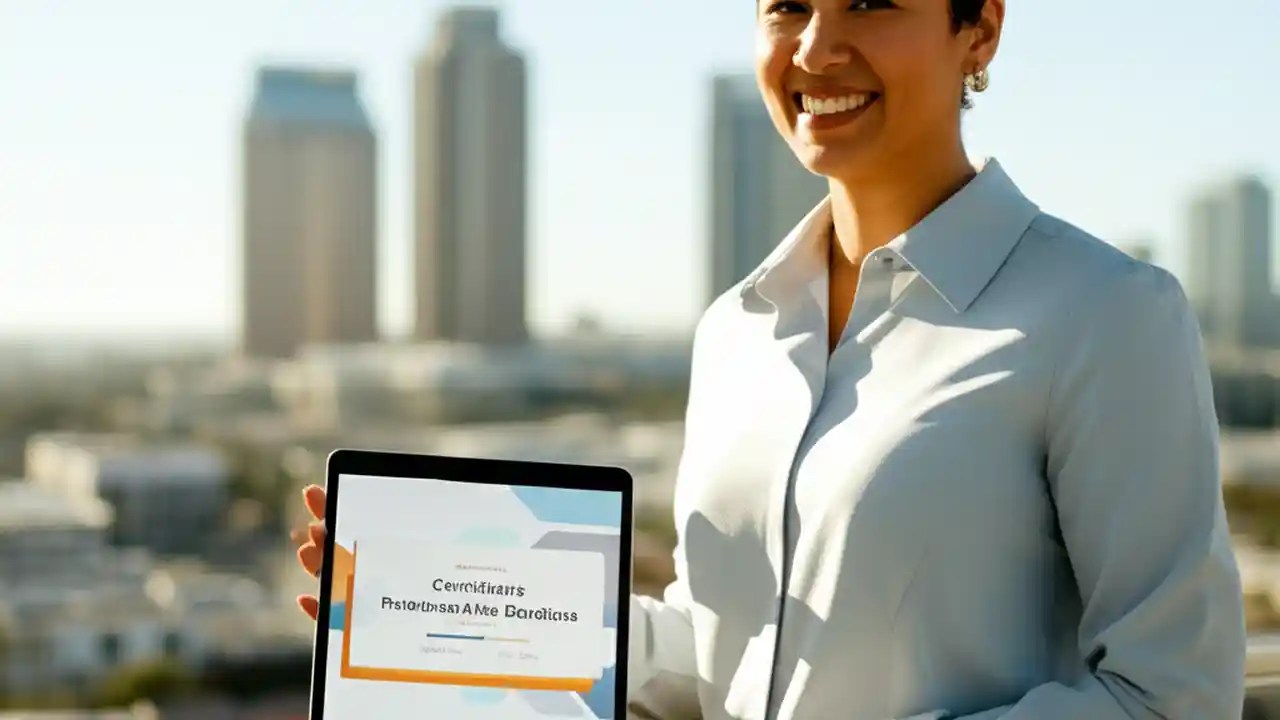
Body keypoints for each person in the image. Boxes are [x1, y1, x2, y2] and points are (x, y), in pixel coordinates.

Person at [297, 0, 1248, 717]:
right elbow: (724, 647)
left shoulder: (1107, 315)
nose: (817, 48)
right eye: (787, 4)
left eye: (872, 2)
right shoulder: (736, 330)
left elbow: (1172, 697)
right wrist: (443, 616)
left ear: (981, 30)